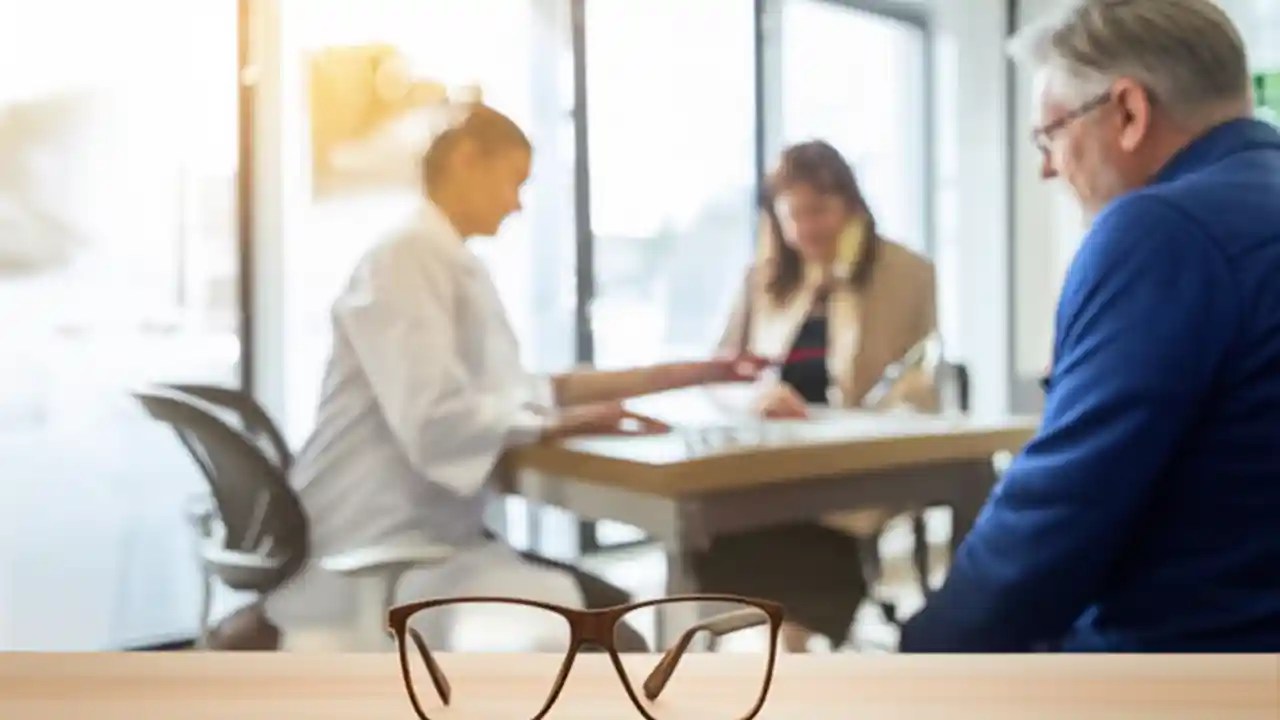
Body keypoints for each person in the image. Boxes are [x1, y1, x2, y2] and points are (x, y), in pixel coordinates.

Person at [264, 103, 764, 651]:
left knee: (614, 615)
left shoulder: (443, 260)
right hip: (382, 543)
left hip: (421, 538)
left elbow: (529, 390)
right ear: (466, 159)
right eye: (513, 181)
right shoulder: (407, 257)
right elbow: (436, 417)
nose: (516, 203)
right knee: (615, 632)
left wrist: (693, 372)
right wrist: (550, 425)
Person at [902, 0, 1280, 652]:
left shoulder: (1161, 231)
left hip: (1183, 671)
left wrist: (912, 667)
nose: (1047, 166)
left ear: (1129, 112)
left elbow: (1054, 521)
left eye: (1050, 133)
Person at [693, 140, 940, 651]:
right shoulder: (763, 278)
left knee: (812, 551)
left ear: (850, 205)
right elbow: (720, 371)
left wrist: (841, 280)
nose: (807, 228)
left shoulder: (907, 273)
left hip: (849, 474)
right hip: (767, 464)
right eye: (794, 215)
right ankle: (778, 650)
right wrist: (754, 396)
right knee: (710, 532)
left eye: (820, 210)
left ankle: (795, 651)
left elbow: (919, 383)